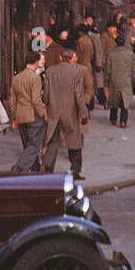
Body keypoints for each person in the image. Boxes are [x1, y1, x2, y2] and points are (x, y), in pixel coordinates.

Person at [43, 48, 88, 179]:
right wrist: (83, 112)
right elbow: (78, 94)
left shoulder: (50, 71)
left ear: (62, 58)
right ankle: (75, 170)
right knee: (74, 140)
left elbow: (46, 92)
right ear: (71, 59)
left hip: (54, 109)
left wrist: (46, 103)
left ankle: (48, 167)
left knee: (52, 139)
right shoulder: (76, 72)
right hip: (70, 111)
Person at [8, 52, 49, 172]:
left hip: (20, 115)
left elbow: (12, 100)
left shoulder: (17, 77)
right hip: (33, 115)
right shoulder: (35, 78)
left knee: (27, 144)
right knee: (35, 144)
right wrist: (43, 113)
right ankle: (19, 167)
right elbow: (36, 100)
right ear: (36, 62)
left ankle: (34, 168)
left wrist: (14, 117)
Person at [105, 34, 135, 128]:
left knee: (114, 100)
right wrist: (133, 78)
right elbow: (134, 68)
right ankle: (123, 121)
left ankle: (113, 118)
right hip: (126, 80)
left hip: (114, 80)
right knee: (124, 101)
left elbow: (108, 69)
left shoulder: (112, 54)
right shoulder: (130, 54)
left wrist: (106, 80)